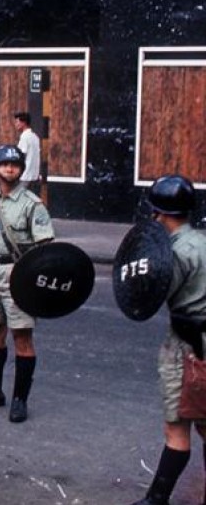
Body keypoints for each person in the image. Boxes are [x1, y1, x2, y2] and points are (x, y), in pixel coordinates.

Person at [128, 175, 206, 505]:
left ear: (158, 214)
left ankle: (156, 500)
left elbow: (152, 294)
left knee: (177, 427)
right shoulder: (202, 241)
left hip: (186, 346)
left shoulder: (174, 252)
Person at [0, 144, 55, 423]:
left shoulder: (32, 204)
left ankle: (20, 399)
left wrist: (31, 279)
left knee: (22, 336)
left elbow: (45, 247)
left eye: (15, 164)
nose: (9, 168)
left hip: (19, 274)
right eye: (4, 164)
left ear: (21, 169)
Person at [13, 112, 41, 190]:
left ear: (23, 122)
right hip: (34, 176)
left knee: (18, 196)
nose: (15, 124)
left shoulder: (25, 137)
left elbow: (21, 156)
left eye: (17, 122)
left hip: (25, 177)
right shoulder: (35, 137)